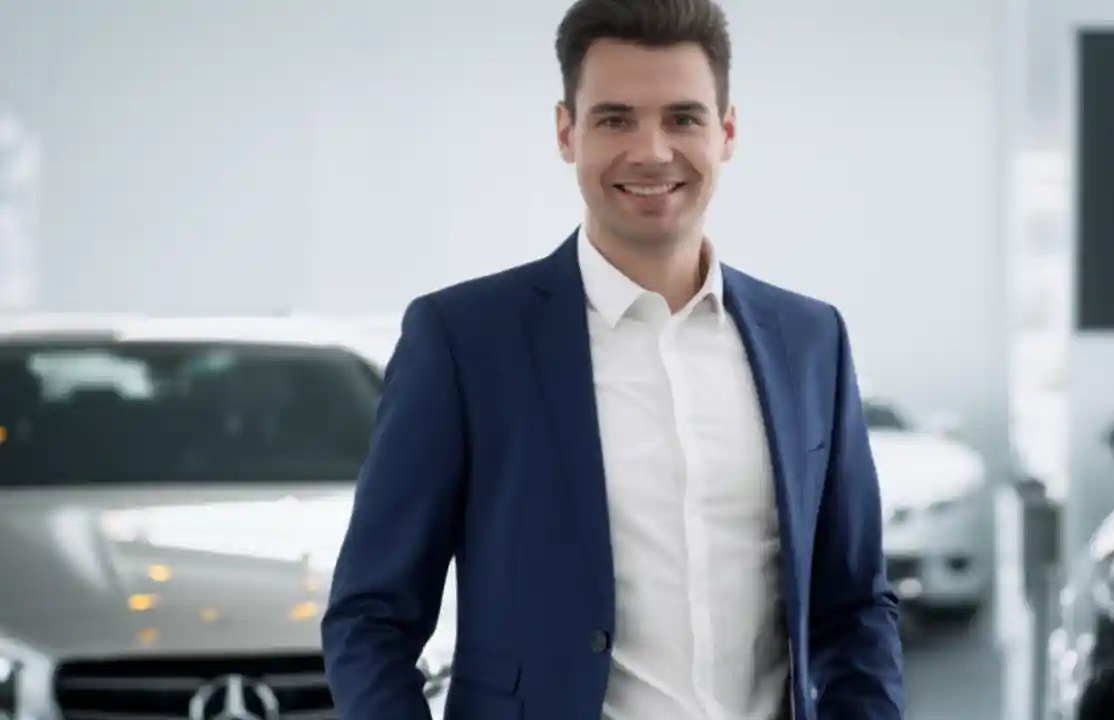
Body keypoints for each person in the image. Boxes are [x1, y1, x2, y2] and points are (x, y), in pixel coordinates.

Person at [320, 0, 905, 718]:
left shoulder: (810, 340)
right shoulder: (465, 341)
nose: (652, 151)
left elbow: (855, 605)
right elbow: (371, 618)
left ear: (726, 132)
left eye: (683, 118)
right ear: (566, 132)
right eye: (615, 119)